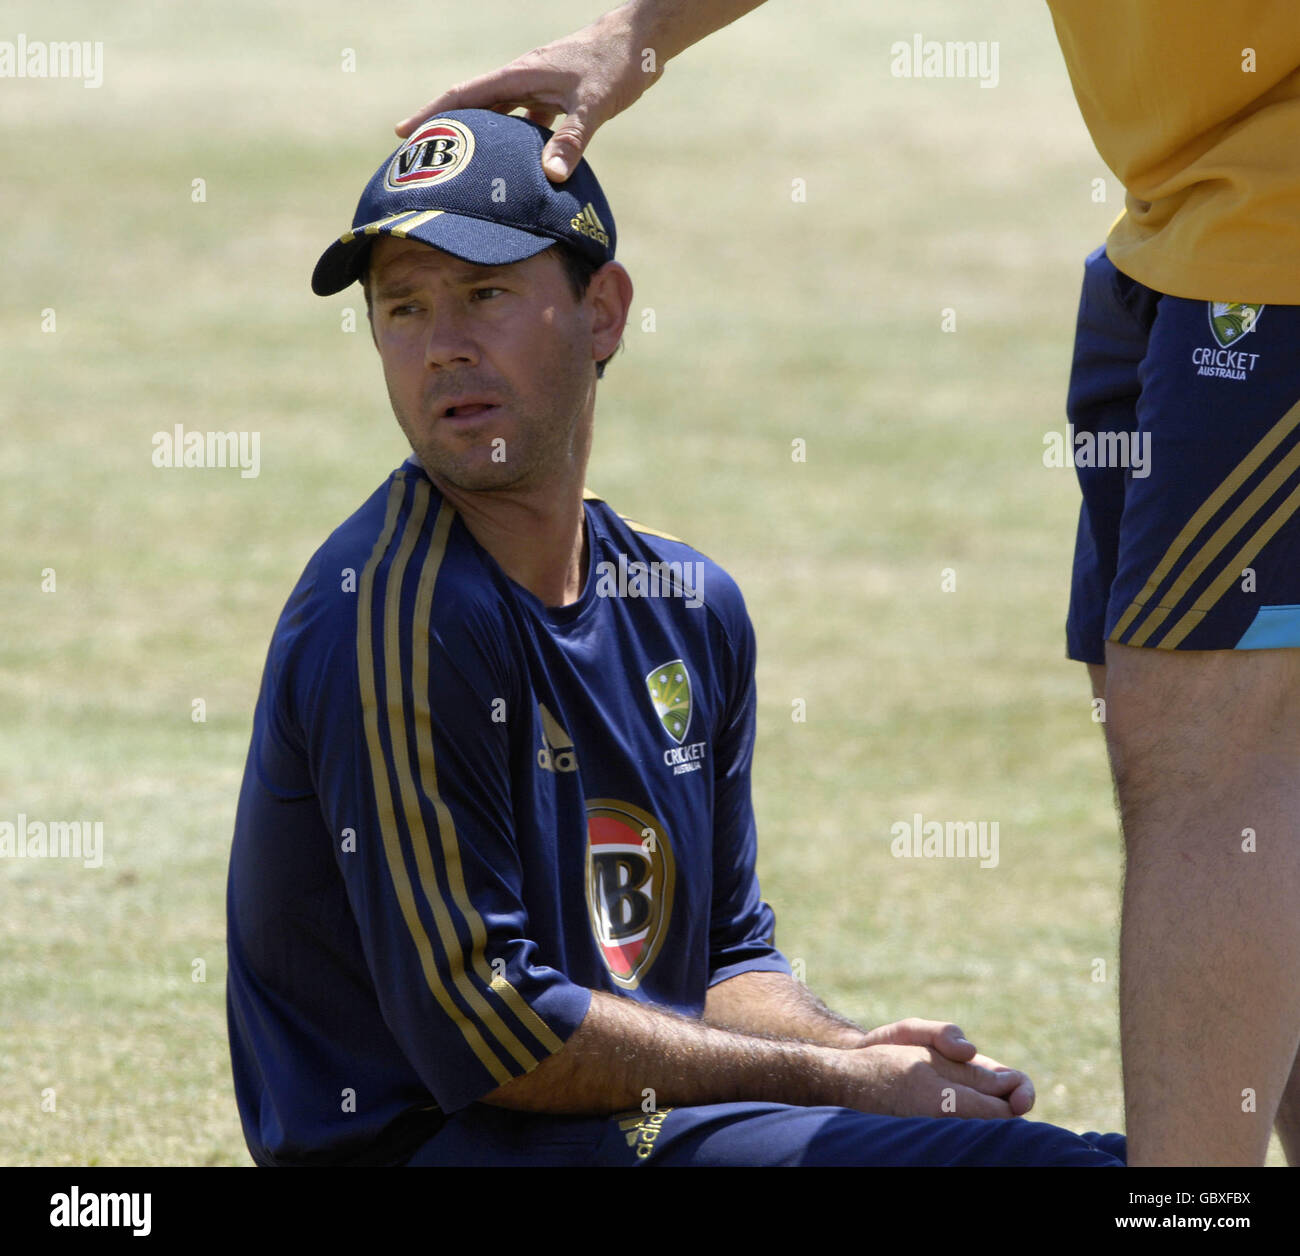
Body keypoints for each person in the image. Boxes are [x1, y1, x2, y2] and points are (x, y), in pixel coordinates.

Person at [397, 0, 1300, 1171]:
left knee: (1212, 764)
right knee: (1230, 762)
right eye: (403, 309)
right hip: (1177, 219)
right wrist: (639, 35)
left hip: (1268, 225)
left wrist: (637, 36)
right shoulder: (395, 598)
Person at [226, 107, 1125, 1166]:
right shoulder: (385, 610)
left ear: (602, 311)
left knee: (1113, 1167)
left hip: (627, 1128)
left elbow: (722, 962)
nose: (442, 348)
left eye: (484, 294)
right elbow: (492, 1030)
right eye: (402, 309)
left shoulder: (688, 604)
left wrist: (876, 1060)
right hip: (445, 1145)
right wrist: (840, 1082)